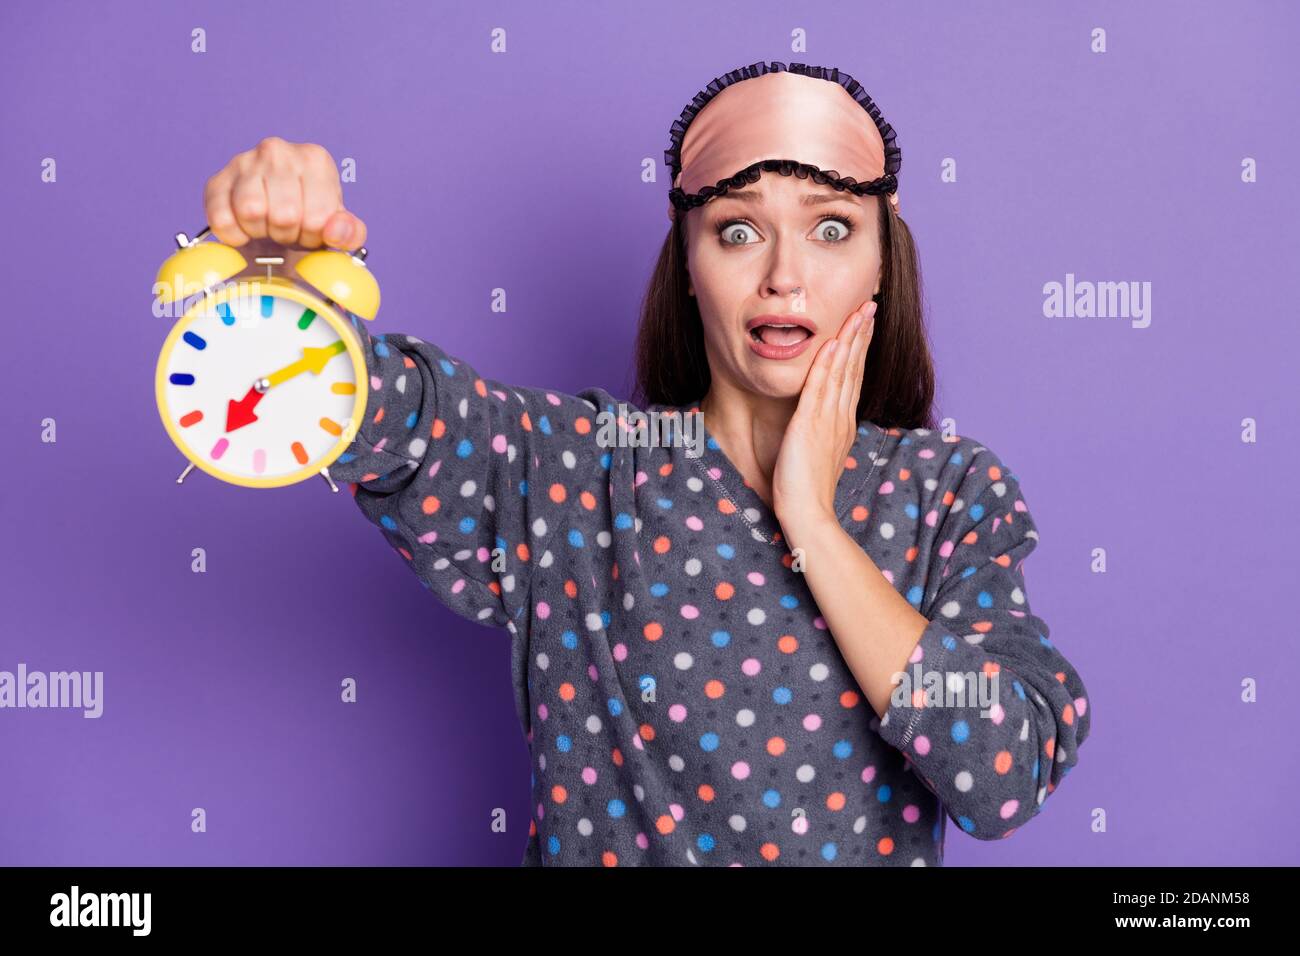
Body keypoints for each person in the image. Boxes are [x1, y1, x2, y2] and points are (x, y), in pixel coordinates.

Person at [201, 61, 1091, 866]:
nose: (785, 276)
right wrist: (282, 279)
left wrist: (813, 523)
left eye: (830, 228)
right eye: (739, 232)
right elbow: (372, 408)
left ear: (881, 265)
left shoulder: (945, 493)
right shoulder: (584, 471)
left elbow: (1000, 772)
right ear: (690, 265)